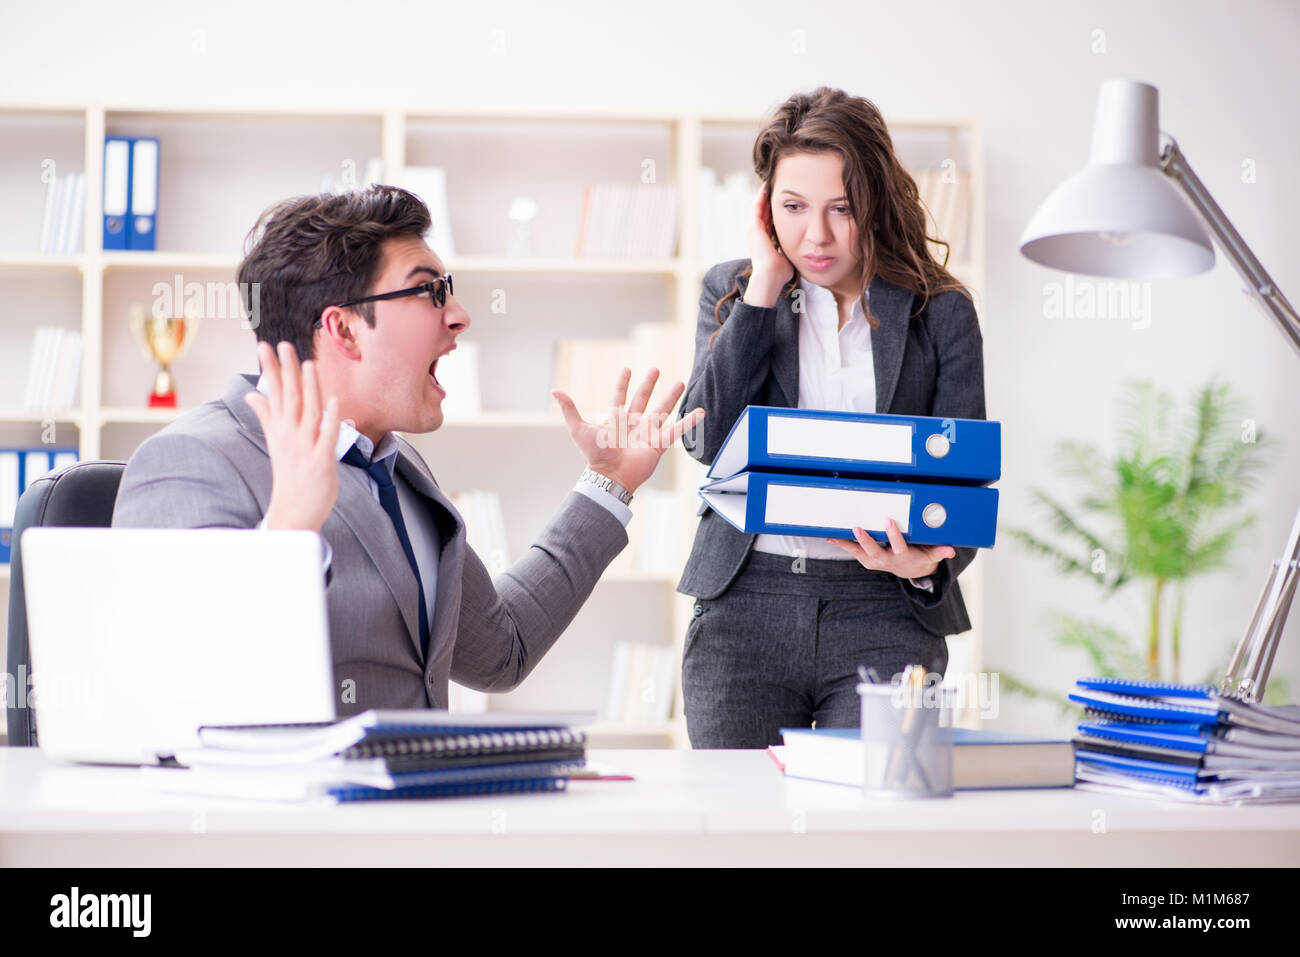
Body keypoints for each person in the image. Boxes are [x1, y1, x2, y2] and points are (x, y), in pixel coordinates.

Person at [112, 185, 703, 715]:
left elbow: (501, 651)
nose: (460, 316)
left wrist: (608, 482)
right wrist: (290, 527)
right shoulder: (191, 461)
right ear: (343, 329)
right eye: (430, 291)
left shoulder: (398, 467)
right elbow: (180, 688)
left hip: (419, 826)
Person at [676, 87, 986, 749]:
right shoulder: (731, 290)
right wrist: (764, 283)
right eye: (792, 208)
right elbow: (704, 437)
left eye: (842, 209)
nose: (815, 236)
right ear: (765, 208)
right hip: (745, 609)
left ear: (876, 203)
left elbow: (964, 482)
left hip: (885, 612)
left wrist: (927, 565)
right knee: (744, 831)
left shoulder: (943, 311)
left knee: (875, 830)